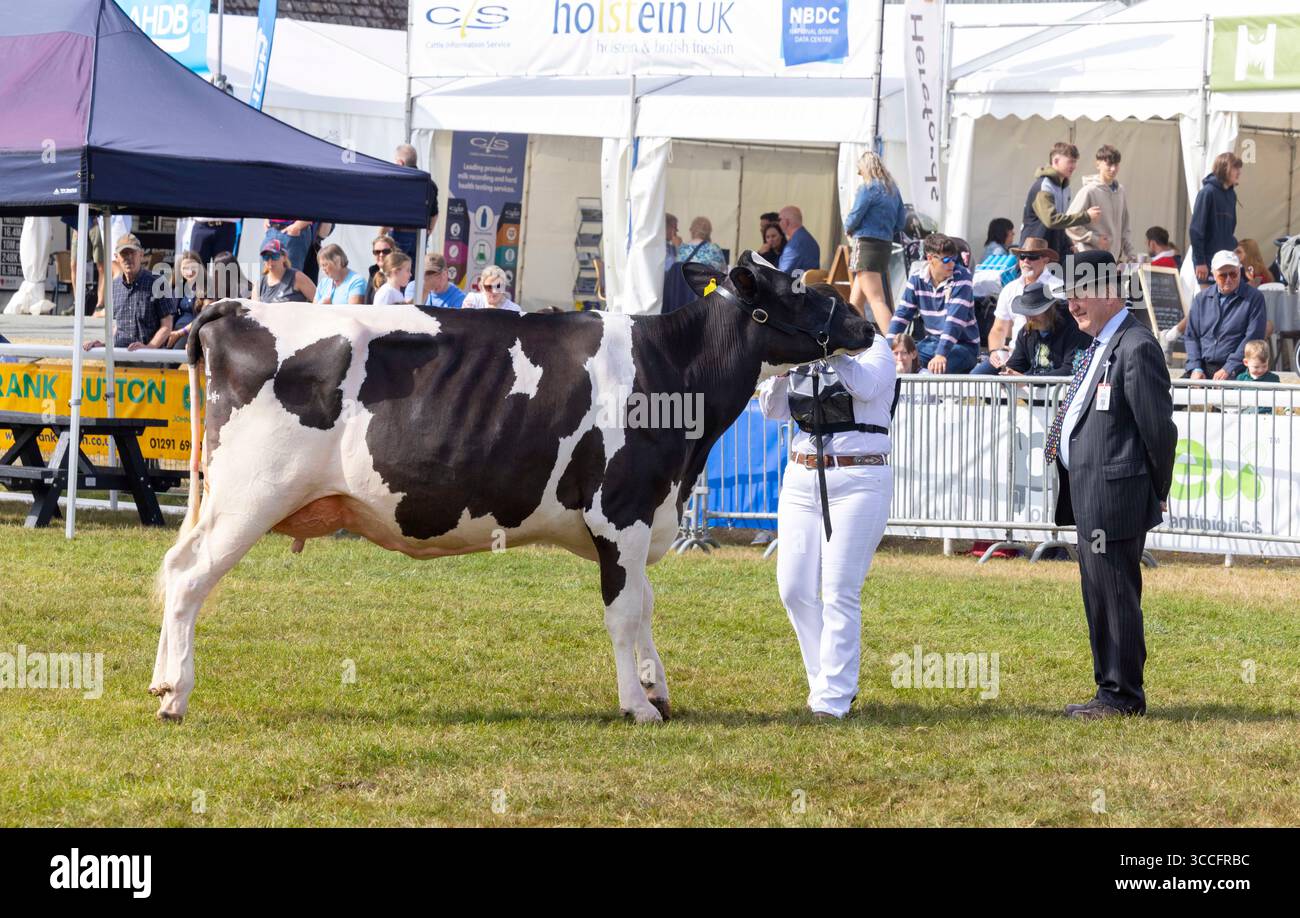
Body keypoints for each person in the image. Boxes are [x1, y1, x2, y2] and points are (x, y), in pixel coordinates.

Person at [1047, 250, 1177, 719]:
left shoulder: (1135, 345)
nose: (1072, 306)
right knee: (1099, 593)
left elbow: (1158, 430)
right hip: (1090, 494)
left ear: (1107, 291)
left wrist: (1155, 489)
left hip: (1115, 494)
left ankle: (1123, 697)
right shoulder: (1102, 344)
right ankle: (1109, 688)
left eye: (1079, 295)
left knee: (1116, 592)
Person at [756, 284, 895, 720]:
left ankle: (832, 699)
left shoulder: (876, 349)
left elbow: (868, 388)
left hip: (858, 477)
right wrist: (787, 365)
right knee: (794, 588)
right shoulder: (801, 357)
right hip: (801, 476)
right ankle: (826, 682)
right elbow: (774, 409)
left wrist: (829, 352)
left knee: (839, 589)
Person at [888, 234, 980, 374]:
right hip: (931, 342)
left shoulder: (963, 278)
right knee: (901, 362)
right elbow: (901, 315)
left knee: (934, 371)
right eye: (946, 260)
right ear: (930, 258)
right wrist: (888, 348)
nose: (952, 264)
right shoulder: (916, 279)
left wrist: (940, 354)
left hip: (964, 345)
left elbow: (954, 322)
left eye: (954, 259)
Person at [973, 237, 1064, 375]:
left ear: (1045, 259)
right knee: (975, 378)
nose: (1026, 261)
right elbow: (998, 329)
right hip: (1013, 355)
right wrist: (995, 353)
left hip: (1046, 356)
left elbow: (1062, 331)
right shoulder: (1010, 288)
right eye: (1022, 256)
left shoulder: (1057, 287)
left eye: (1032, 257)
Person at [843, 151, 907, 332]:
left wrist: (848, 228)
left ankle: (894, 343)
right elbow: (901, 221)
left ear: (865, 168)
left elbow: (856, 214)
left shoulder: (867, 188)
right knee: (855, 302)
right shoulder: (893, 189)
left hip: (866, 244)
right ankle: (858, 338)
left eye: (859, 171)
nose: (859, 174)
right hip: (884, 245)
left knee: (876, 300)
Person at [82, 234, 176, 352]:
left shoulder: (159, 283)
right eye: (124, 254)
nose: (128, 257)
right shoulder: (113, 286)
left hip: (149, 361)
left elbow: (167, 325)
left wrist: (149, 348)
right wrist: (105, 344)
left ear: (141, 255)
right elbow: (119, 326)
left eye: (132, 253)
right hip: (119, 355)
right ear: (116, 258)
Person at [1184, 250, 1267, 380]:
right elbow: (1191, 336)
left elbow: (1253, 337)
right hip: (1203, 367)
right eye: (1223, 275)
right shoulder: (1201, 299)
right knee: (1172, 396)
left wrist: (1229, 368)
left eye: (1233, 274)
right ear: (1213, 274)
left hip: (1239, 369)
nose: (1228, 279)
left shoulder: (1254, 298)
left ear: (1240, 271)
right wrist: (1195, 368)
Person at [1020, 142, 1100, 256]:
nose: (1074, 166)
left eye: (1075, 161)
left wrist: (1068, 243)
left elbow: (1061, 222)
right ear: (1056, 161)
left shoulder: (1065, 187)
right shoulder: (1044, 186)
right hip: (1034, 254)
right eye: (1070, 161)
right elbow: (1051, 220)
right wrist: (1086, 216)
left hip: (1052, 251)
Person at [1002, 283, 1091, 376]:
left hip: (1062, 387)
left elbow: (1071, 369)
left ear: (1050, 309)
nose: (1030, 317)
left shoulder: (1074, 328)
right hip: (1032, 385)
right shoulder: (1026, 332)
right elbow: (1015, 366)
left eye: (1035, 311)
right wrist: (1009, 373)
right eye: (1027, 312)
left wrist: (1028, 380)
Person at [1066, 144, 1135, 262]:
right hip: (1090, 259)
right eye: (1109, 164)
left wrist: (1131, 254)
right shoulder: (1089, 190)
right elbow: (1070, 223)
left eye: (1116, 164)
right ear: (1098, 164)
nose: (1113, 169)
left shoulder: (1121, 191)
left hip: (1112, 260)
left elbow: (1125, 228)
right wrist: (1094, 239)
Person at [1190, 151, 1242, 285]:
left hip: (1226, 261)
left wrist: (1235, 247)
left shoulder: (1232, 196)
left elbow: (1230, 229)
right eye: (1235, 168)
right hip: (1207, 263)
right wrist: (1200, 262)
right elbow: (1196, 231)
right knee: (1209, 303)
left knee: (1227, 304)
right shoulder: (1207, 193)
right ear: (1225, 169)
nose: (1239, 172)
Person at [379, 143, 437, 262]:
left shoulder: (395, 182)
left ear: (400, 162)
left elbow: (387, 215)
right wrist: (427, 233)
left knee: (396, 273)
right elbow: (434, 214)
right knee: (416, 277)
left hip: (399, 236)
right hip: (420, 236)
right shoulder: (429, 183)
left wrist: (380, 237)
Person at [165, 250, 209, 349]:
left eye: (193, 267)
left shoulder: (207, 289)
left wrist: (180, 333)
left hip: (193, 331)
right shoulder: (176, 288)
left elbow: (203, 317)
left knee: (173, 356)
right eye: (185, 268)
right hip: (174, 329)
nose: (189, 271)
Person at [257, 238, 316, 303]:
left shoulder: (297, 277)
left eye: (275, 256)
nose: (270, 261)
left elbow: (319, 301)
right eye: (266, 257)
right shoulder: (259, 284)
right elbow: (254, 310)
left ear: (284, 257)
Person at [777, 206, 822, 274]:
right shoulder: (806, 238)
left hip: (796, 284)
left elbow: (782, 273)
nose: (778, 223)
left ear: (786, 222)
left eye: (779, 219)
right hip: (807, 283)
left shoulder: (795, 244)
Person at [365, 233, 399, 304]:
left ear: (393, 252)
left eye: (385, 251)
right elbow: (367, 302)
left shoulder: (401, 272)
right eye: (377, 252)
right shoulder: (373, 272)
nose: (381, 255)